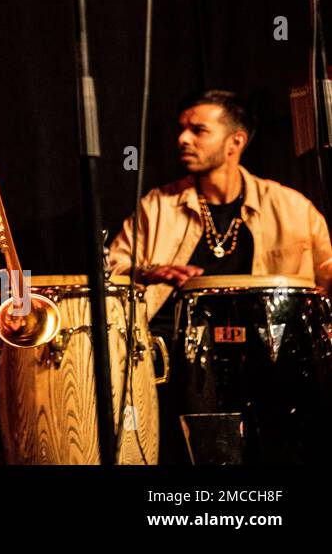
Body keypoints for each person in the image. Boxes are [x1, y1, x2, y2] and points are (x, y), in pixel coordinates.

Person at [107, 89, 332, 460]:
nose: (183, 139)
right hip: (175, 360)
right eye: (182, 129)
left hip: (268, 363)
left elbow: (326, 280)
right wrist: (149, 271)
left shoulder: (291, 207)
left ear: (235, 142)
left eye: (198, 130)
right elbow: (113, 272)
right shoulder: (157, 207)